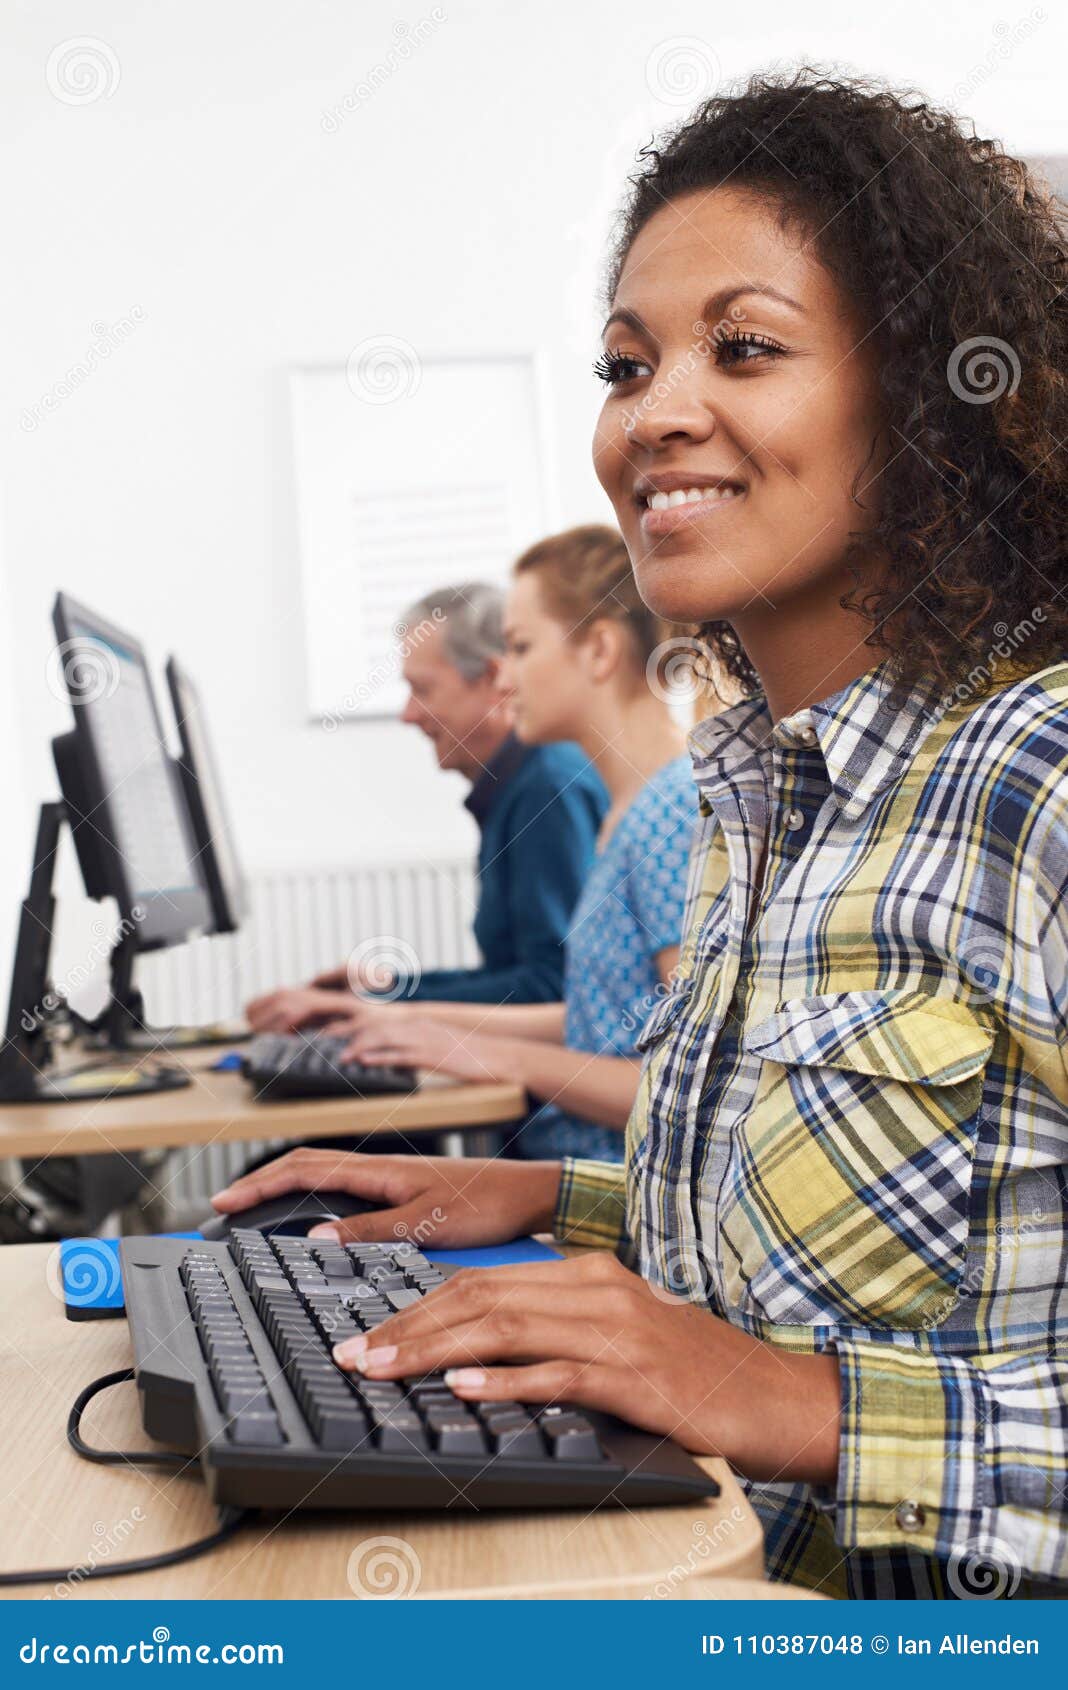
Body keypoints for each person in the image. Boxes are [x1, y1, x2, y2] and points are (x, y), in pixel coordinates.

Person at [214, 70, 1068, 1598]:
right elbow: (860, 1230)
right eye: (626, 362)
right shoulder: (757, 788)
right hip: (703, 1580)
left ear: (936, 390)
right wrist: (550, 1200)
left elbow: (804, 1356)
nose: (656, 411)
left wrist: (797, 1405)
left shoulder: (1039, 777)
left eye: (745, 347)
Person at [321, 524, 695, 1160]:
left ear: (600, 651)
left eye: (520, 648)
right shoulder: (628, 813)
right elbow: (595, 1024)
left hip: (607, 1201)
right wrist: (415, 1020)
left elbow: (684, 1093)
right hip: (567, 1174)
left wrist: (481, 1049)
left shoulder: (670, 816)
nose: (504, 678)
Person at [245, 582, 608, 1030]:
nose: (408, 715)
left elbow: (553, 989)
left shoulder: (548, 788)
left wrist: (384, 1009)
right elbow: (514, 978)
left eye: (422, 690)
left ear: (496, 680)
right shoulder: (520, 783)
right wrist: (388, 991)